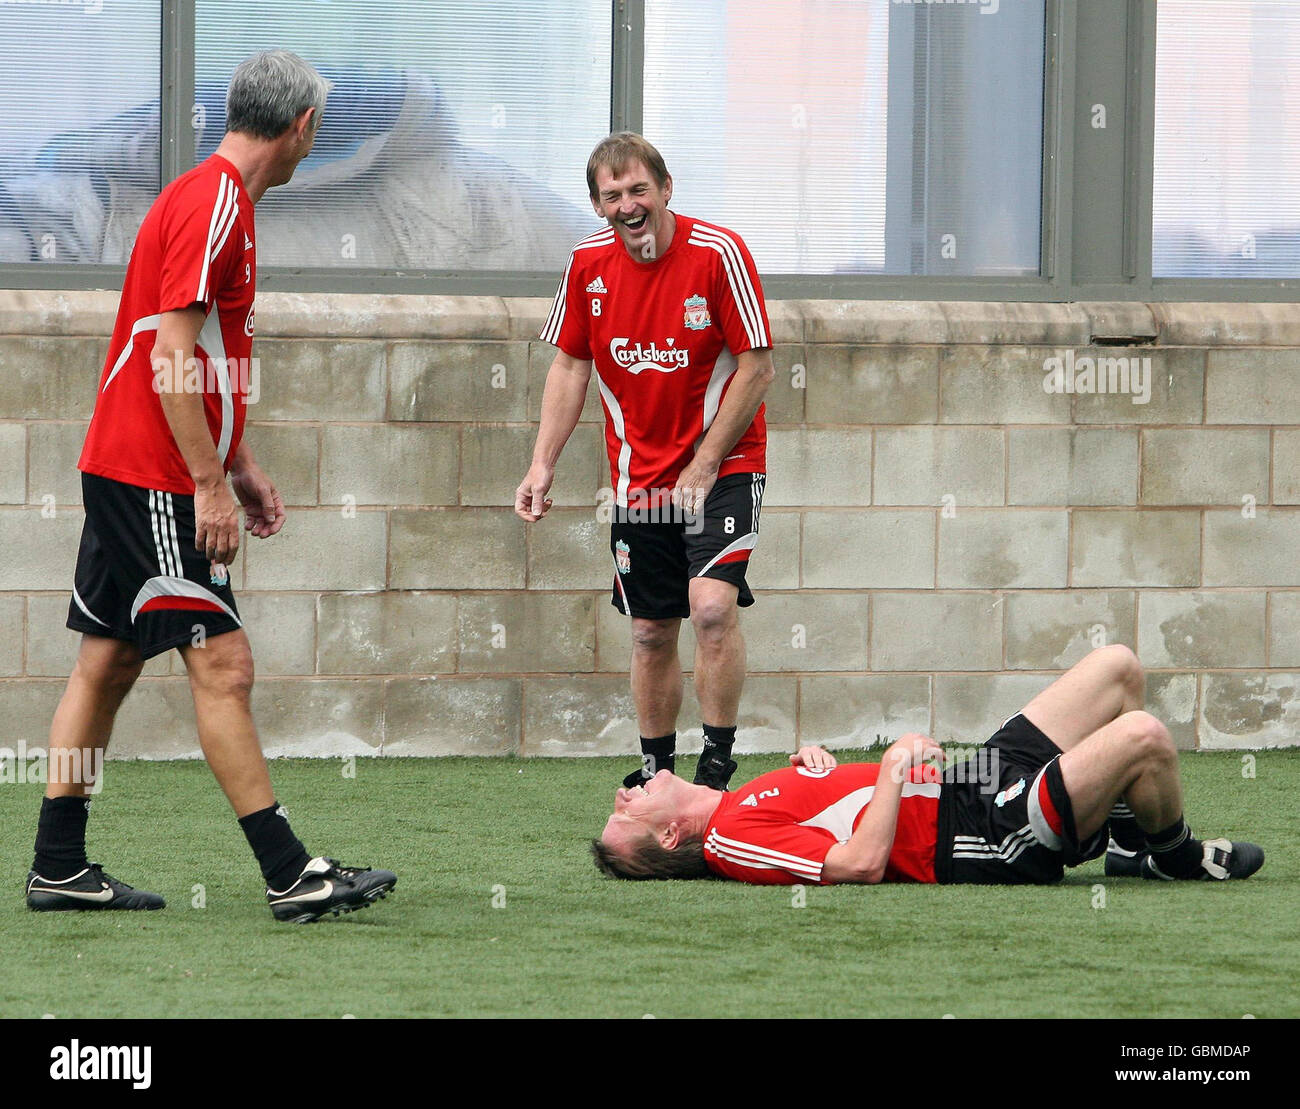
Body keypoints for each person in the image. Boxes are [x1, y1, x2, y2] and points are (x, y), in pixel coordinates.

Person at [24, 51, 396, 924]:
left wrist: (239, 464)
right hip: (153, 475)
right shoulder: (218, 200)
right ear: (301, 125)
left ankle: (58, 865)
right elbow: (170, 359)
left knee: (108, 663)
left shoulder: (213, 197)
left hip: (128, 465)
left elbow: (192, 351)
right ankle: (290, 872)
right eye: (317, 130)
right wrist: (206, 486)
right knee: (223, 661)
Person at [516, 132, 775, 793]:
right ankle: (658, 769)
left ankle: (715, 767)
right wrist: (541, 464)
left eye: (638, 190)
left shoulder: (720, 254)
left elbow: (758, 367)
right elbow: (571, 366)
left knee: (712, 607)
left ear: (665, 189)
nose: (628, 206)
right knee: (652, 630)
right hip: (638, 479)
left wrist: (707, 459)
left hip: (724, 468)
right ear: (597, 206)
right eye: (612, 196)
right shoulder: (585, 266)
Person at [593, 645, 1265, 886]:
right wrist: (888, 769)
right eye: (626, 811)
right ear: (673, 835)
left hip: (970, 779)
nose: (625, 793)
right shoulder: (727, 839)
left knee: (1117, 668)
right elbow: (859, 864)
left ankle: (1127, 848)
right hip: (981, 836)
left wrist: (820, 768)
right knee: (1142, 734)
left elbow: (828, 819)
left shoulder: (735, 809)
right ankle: (1175, 858)